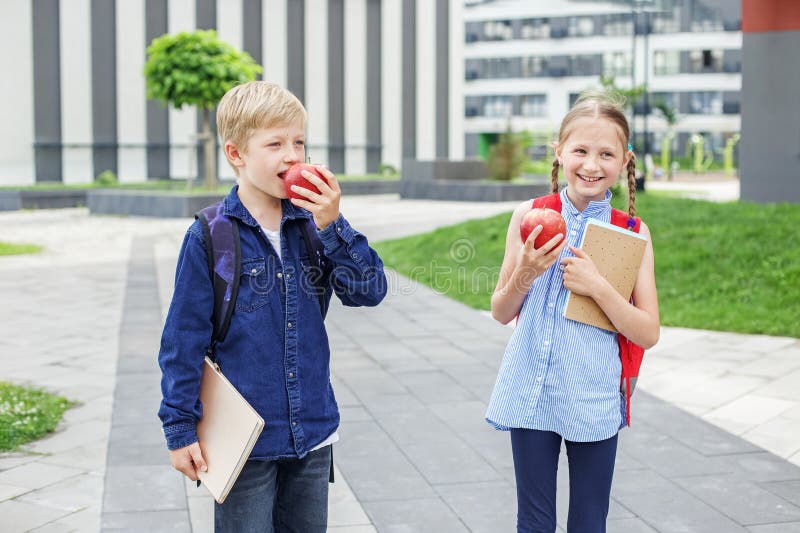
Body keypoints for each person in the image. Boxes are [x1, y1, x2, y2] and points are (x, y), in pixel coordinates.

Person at [157, 81, 387, 532]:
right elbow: (182, 341)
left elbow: (369, 288)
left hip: (312, 433)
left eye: (299, 142)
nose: (293, 156)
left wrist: (333, 223)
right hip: (245, 442)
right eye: (276, 144)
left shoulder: (313, 224)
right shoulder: (211, 236)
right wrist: (179, 428)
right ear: (236, 154)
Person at [485, 91, 660, 533]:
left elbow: (648, 332)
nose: (591, 164)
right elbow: (501, 311)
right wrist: (526, 269)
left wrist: (598, 287)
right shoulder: (529, 215)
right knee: (534, 523)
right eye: (580, 150)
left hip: (594, 399)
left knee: (588, 523)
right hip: (532, 392)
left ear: (625, 161)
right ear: (559, 152)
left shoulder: (632, 233)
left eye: (606, 154)